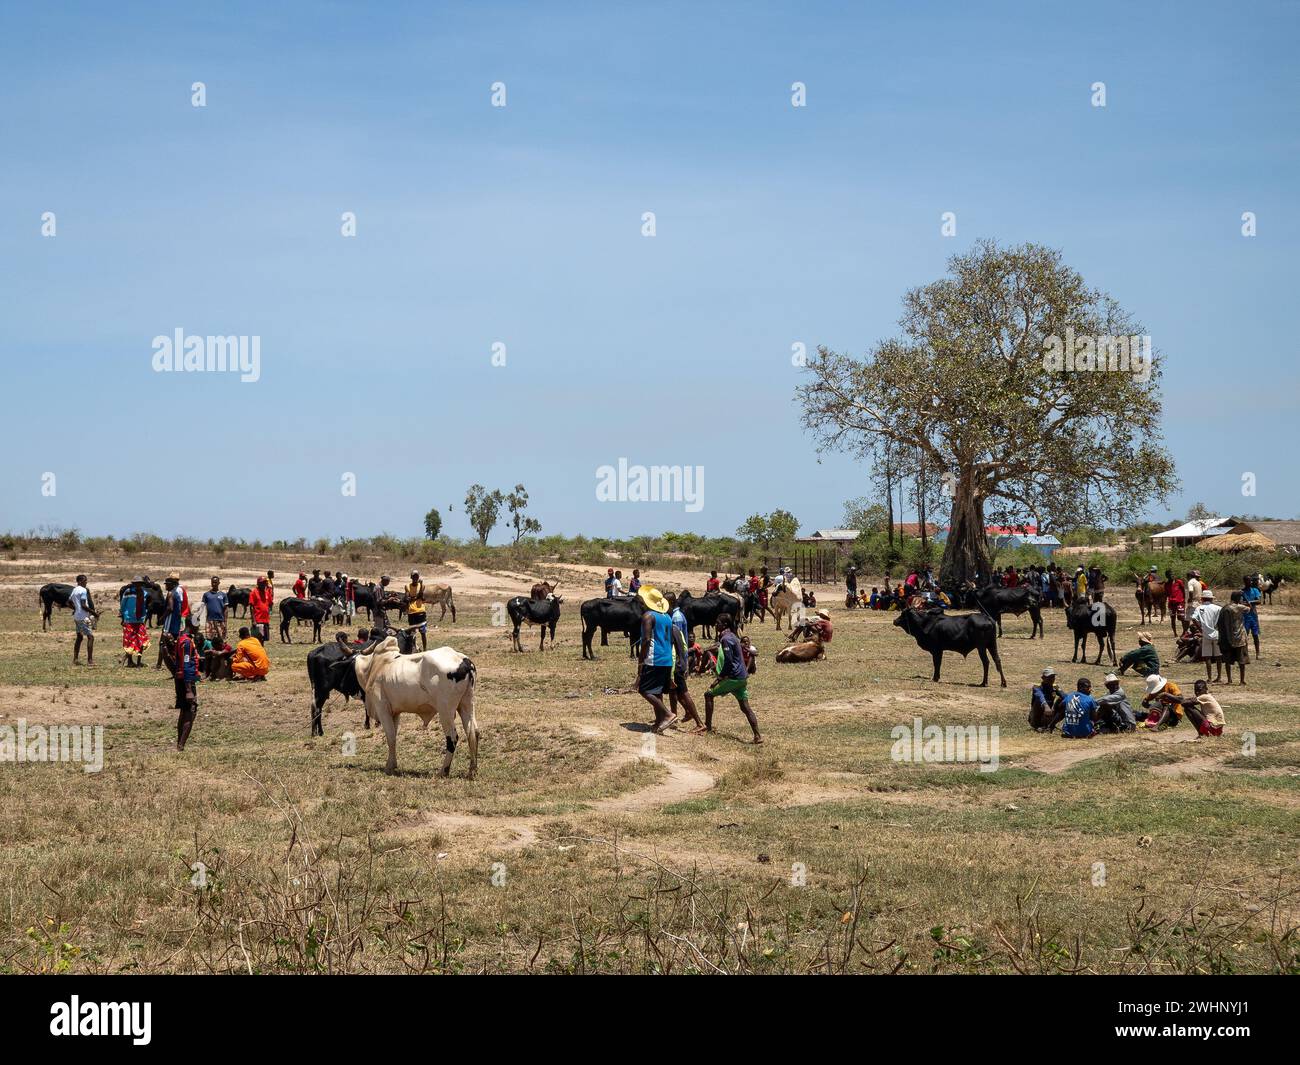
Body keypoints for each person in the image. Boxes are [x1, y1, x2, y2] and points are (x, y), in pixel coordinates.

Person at [702, 613, 762, 743]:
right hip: (742, 678)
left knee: (708, 694)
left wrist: (719, 678)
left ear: (724, 625)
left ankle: (707, 727)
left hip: (733, 677)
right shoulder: (733, 636)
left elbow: (728, 661)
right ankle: (757, 736)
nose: (715, 625)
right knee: (745, 707)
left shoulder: (726, 639)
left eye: (718, 623)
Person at [636, 586, 679, 735]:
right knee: (657, 691)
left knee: (644, 690)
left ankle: (667, 714)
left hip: (654, 658)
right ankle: (659, 720)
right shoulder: (667, 616)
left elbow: (646, 639)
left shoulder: (648, 616)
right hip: (667, 658)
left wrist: (641, 660)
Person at [666, 592, 702, 731]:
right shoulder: (677, 616)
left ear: (670, 603)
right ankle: (674, 716)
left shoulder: (676, 619)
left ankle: (698, 722)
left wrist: (681, 662)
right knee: (674, 691)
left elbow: (679, 643)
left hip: (677, 661)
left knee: (682, 692)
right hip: (679, 660)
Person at [162, 624, 201, 750]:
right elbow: (186, 665)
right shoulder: (187, 642)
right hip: (186, 680)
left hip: (181, 678)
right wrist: (189, 690)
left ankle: (180, 743)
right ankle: (181, 745)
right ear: (194, 624)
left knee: (184, 711)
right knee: (191, 711)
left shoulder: (181, 638)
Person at [1218, 591, 1250, 686]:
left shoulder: (1225, 608)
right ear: (1238, 598)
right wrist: (1245, 600)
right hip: (1240, 637)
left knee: (1227, 661)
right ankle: (1242, 680)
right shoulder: (1240, 607)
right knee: (1241, 660)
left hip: (1227, 638)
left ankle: (1229, 679)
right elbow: (1249, 608)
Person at [155, 572, 185, 669]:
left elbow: (170, 608)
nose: (165, 586)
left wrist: (162, 618)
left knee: (163, 642)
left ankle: (160, 665)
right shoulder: (179, 591)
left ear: (171, 584)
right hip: (177, 622)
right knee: (174, 643)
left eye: (167, 585)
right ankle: (177, 663)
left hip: (170, 622)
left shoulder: (171, 593)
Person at [119, 575, 150, 667]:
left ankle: (139, 661)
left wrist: (145, 616)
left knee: (141, 641)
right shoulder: (128, 592)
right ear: (133, 584)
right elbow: (123, 605)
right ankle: (130, 661)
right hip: (129, 619)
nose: (138, 585)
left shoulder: (144, 593)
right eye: (136, 584)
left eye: (140, 584)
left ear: (142, 584)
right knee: (129, 641)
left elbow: (145, 606)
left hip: (140, 620)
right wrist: (123, 617)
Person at [1192, 590, 1222, 684]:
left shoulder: (1199, 608)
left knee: (1207, 657)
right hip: (1216, 633)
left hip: (1205, 634)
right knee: (1218, 657)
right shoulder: (1218, 608)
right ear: (1211, 599)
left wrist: (1201, 629)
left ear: (1203, 599)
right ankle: (1219, 677)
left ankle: (1209, 678)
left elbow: (1193, 618)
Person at [69, 573, 99, 667]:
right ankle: (90, 661)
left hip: (77, 617)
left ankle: (75, 659)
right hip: (83, 617)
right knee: (90, 637)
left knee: (79, 637)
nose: (86, 582)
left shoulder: (74, 590)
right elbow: (83, 605)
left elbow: (68, 602)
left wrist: (75, 609)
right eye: (85, 580)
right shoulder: (83, 590)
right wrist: (94, 613)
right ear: (80, 581)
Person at [1028, 667, 1063, 732]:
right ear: (1043, 678)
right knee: (1039, 701)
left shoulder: (1055, 687)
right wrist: (1045, 706)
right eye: (1049, 677)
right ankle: (1037, 725)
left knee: (1062, 700)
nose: (1052, 679)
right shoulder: (1037, 687)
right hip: (1037, 716)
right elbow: (1040, 696)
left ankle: (1051, 724)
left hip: (1048, 714)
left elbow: (1064, 696)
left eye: (1053, 677)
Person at [202, 576, 228, 645]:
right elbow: (203, 608)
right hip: (209, 620)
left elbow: (225, 609)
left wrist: (225, 622)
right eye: (212, 582)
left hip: (220, 620)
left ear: (219, 583)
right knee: (209, 640)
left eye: (215, 582)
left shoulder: (223, 595)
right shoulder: (206, 595)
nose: (214, 584)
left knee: (222, 640)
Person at [406, 570, 428, 651]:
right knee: (412, 632)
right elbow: (407, 598)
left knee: (423, 632)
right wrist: (415, 597)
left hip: (421, 611)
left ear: (418, 577)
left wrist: (421, 585)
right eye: (414, 576)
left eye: (417, 576)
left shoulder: (422, 586)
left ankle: (425, 649)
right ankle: (414, 647)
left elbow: (422, 597)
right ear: (411, 577)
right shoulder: (407, 586)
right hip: (411, 611)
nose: (415, 577)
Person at [248, 575, 273, 643]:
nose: (264, 584)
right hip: (258, 619)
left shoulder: (267, 592)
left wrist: (270, 589)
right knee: (257, 640)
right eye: (262, 583)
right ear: (258, 583)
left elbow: (270, 603)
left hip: (266, 620)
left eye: (265, 583)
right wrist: (253, 620)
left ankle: (261, 652)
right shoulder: (253, 593)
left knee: (264, 639)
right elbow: (251, 607)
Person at [1241, 576, 1262, 658]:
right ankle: (1245, 653)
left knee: (1255, 635)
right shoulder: (1241, 592)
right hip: (1245, 616)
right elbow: (1240, 602)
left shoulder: (1255, 590)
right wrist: (1246, 603)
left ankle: (1258, 653)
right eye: (1247, 581)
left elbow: (1259, 601)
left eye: (1250, 581)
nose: (1249, 582)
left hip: (1253, 616)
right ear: (1244, 582)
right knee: (1245, 636)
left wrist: (1250, 602)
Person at [1166, 568, 1186, 637]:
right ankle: (1175, 633)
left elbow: (1183, 590)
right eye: (1169, 575)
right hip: (1171, 604)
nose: (1171, 576)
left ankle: (1184, 632)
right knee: (1172, 618)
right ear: (1167, 576)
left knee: (1182, 617)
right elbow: (1167, 594)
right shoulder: (1167, 584)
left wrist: (1184, 600)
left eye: (1172, 574)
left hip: (1180, 602)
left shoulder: (1179, 582)